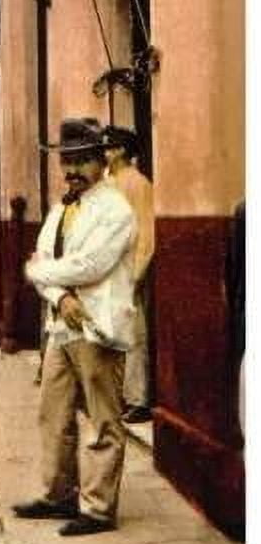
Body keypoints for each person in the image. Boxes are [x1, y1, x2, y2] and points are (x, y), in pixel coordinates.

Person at [14, 116, 137, 537]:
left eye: (83, 160)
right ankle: (58, 495)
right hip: (62, 325)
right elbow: (37, 263)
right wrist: (60, 296)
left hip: (96, 326)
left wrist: (47, 277)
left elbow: (91, 265)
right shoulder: (60, 209)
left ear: (102, 161)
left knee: (103, 420)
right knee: (54, 414)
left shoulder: (116, 209)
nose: (73, 170)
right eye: (67, 161)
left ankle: (98, 508)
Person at [103, 126, 155, 423]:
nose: (106, 153)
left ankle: (139, 399)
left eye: (110, 148)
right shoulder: (109, 182)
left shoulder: (138, 184)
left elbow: (147, 232)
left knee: (135, 337)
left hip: (128, 272)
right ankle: (119, 395)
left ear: (122, 151)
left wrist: (136, 274)